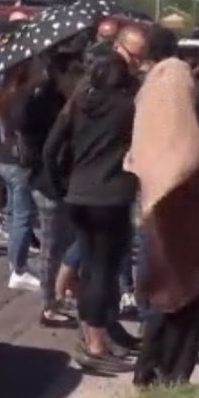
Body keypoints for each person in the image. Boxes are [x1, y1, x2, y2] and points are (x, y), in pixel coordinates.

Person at [46, 25, 145, 374]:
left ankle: (91, 337)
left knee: (90, 269)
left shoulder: (78, 103)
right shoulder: (128, 108)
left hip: (78, 194)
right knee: (103, 272)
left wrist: (60, 187)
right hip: (111, 196)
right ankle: (97, 344)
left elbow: (51, 148)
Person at [126, 27, 199, 387]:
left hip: (151, 197)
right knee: (189, 291)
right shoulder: (183, 80)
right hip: (185, 198)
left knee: (160, 288)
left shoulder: (147, 86)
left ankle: (148, 369)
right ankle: (174, 373)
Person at [13, 46, 86, 328]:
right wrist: (55, 182)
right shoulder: (42, 101)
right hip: (48, 182)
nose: (79, 79)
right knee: (52, 246)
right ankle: (49, 305)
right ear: (60, 74)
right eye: (75, 74)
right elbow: (47, 147)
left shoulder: (58, 98)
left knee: (65, 243)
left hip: (61, 181)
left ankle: (62, 292)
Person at [0, 59, 42, 293]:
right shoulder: (25, 98)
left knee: (14, 213)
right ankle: (18, 269)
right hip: (19, 160)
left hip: (5, 156)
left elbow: (6, 127)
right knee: (23, 214)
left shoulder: (5, 95)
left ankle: (14, 263)